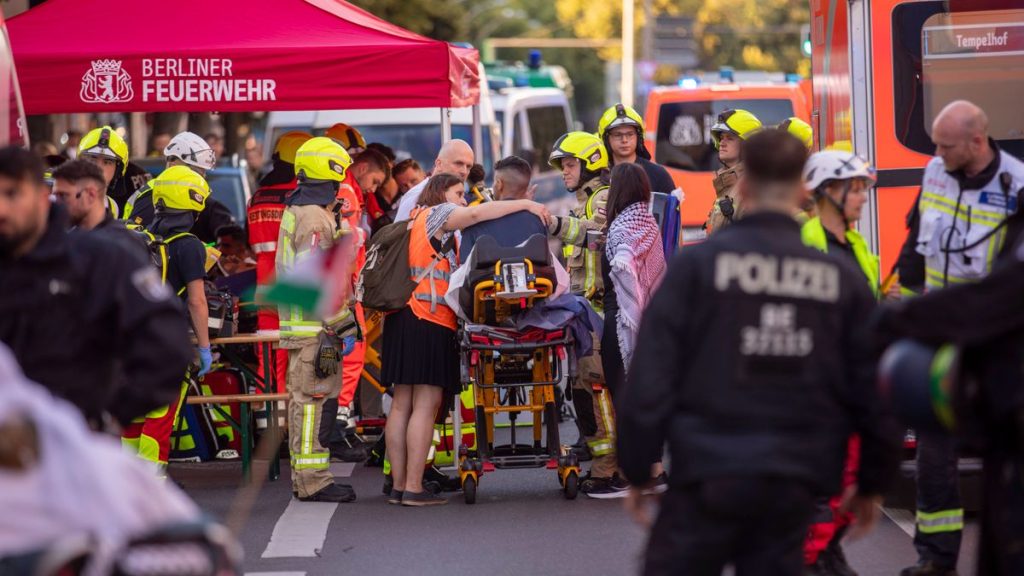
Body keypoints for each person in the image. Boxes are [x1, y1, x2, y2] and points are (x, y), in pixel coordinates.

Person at [617, 128, 901, 576]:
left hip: (706, 477)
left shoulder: (697, 268)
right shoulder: (838, 280)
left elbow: (651, 373)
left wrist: (636, 467)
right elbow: (873, 389)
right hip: (793, 485)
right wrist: (872, 481)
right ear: (804, 191)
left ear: (744, 186)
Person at [893, 99, 1024, 576]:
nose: (938, 153)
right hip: (939, 338)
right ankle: (935, 557)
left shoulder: (1017, 188)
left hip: (996, 344)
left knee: (1005, 456)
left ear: (977, 141)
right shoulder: (935, 173)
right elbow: (914, 249)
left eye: (946, 146)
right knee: (934, 454)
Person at [383, 172, 551, 506]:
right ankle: (414, 488)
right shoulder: (438, 214)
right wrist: (526, 204)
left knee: (401, 404)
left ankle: (400, 485)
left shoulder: (413, 219)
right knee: (426, 404)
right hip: (428, 318)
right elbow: (475, 215)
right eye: (458, 192)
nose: (463, 199)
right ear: (440, 192)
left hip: (401, 317)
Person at [0, 146, 192, 430]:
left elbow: (169, 347)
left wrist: (108, 414)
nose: (2, 208)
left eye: (13, 194)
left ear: (43, 198)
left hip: (68, 450)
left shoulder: (104, 257)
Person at [799, 150, 892, 576]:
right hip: (817, 397)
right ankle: (815, 559)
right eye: (854, 188)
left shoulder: (855, 245)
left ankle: (827, 552)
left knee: (843, 499)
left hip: (854, 390)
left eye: (861, 188)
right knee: (820, 499)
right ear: (827, 192)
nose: (861, 197)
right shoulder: (806, 245)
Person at [276, 137, 361, 503]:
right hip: (316, 331)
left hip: (305, 330)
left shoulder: (305, 211)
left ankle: (306, 477)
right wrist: (343, 321)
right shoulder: (314, 218)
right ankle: (314, 481)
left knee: (303, 404)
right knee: (312, 406)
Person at [121, 166, 214, 476]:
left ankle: (128, 487)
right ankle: (151, 488)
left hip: (131, 341)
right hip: (164, 346)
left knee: (133, 419)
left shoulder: (142, 236)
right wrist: (204, 348)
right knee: (160, 419)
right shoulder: (189, 244)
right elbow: (197, 301)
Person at [544, 131, 623, 497]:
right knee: (583, 390)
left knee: (596, 390)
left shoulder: (602, 198)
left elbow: (600, 234)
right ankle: (599, 458)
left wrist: (555, 224)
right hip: (584, 314)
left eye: (570, 164)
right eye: (562, 165)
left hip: (597, 315)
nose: (564, 171)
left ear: (591, 162)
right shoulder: (586, 201)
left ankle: (610, 471)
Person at [325, 147, 392, 460]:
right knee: (352, 354)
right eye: (375, 181)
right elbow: (348, 247)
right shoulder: (348, 192)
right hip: (344, 290)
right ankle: (338, 422)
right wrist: (351, 295)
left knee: (339, 356)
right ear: (362, 167)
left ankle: (337, 422)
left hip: (334, 289)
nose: (374, 188)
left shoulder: (342, 189)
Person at [122, 131, 235, 243]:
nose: (202, 178)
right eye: (196, 171)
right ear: (173, 165)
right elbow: (141, 243)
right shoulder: (155, 194)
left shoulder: (179, 196)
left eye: (204, 173)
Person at [49, 159, 147, 258]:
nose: (56, 202)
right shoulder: (61, 239)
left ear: (90, 195)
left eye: (63, 195)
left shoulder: (126, 246)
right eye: (54, 196)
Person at [459, 156, 546, 262]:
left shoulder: (475, 223)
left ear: (499, 184)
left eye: (495, 182)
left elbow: (464, 268)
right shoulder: (538, 221)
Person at [703, 109, 763, 235]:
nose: (722, 143)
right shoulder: (727, 185)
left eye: (729, 138)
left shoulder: (749, 190)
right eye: (721, 138)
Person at [597, 103, 676, 193]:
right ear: (606, 139)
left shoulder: (658, 175)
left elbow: (672, 206)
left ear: (639, 137)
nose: (624, 140)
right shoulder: (600, 178)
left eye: (630, 134)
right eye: (617, 135)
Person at [395, 140, 474, 221]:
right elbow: (400, 232)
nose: (464, 171)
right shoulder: (416, 196)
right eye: (458, 163)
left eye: (468, 167)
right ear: (439, 164)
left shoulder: (464, 196)